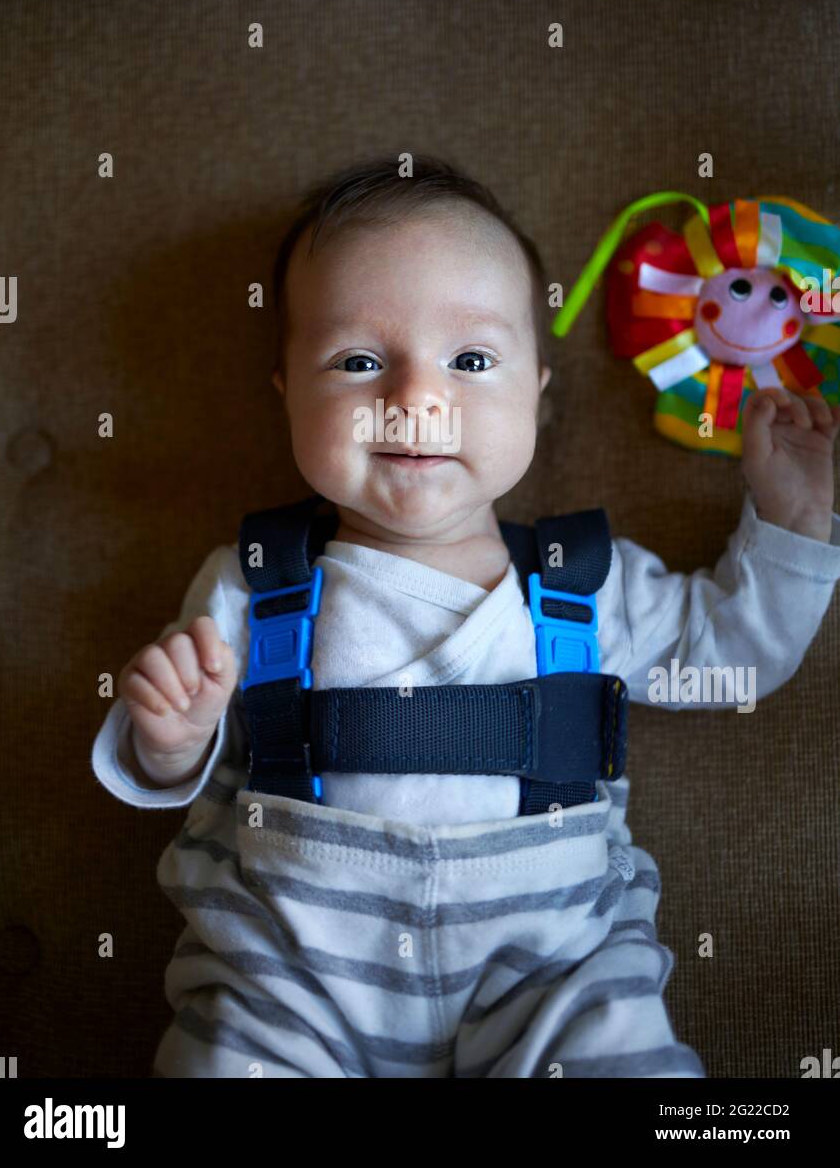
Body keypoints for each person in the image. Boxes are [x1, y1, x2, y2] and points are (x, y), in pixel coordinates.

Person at [91, 156, 840, 1077]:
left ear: (535, 391)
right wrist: (169, 738)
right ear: (287, 389)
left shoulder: (580, 580)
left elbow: (733, 656)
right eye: (359, 361)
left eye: (472, 360)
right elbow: (162, 760)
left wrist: (794, 522)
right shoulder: (256, 578)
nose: (416, 397)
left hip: (554, 977)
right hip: (291, 982)